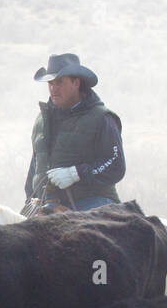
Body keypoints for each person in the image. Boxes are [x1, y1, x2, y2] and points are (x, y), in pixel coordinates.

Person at [24, 53, 124, 212]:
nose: (53, 89)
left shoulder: (101, 118)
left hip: (93, 202)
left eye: (59, 82)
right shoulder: (41, 121)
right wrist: (30, 199)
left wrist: (76, 174)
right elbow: (35, 167)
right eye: (50, 83)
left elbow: (115, 165)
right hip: (43, 204)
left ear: (76, 83)